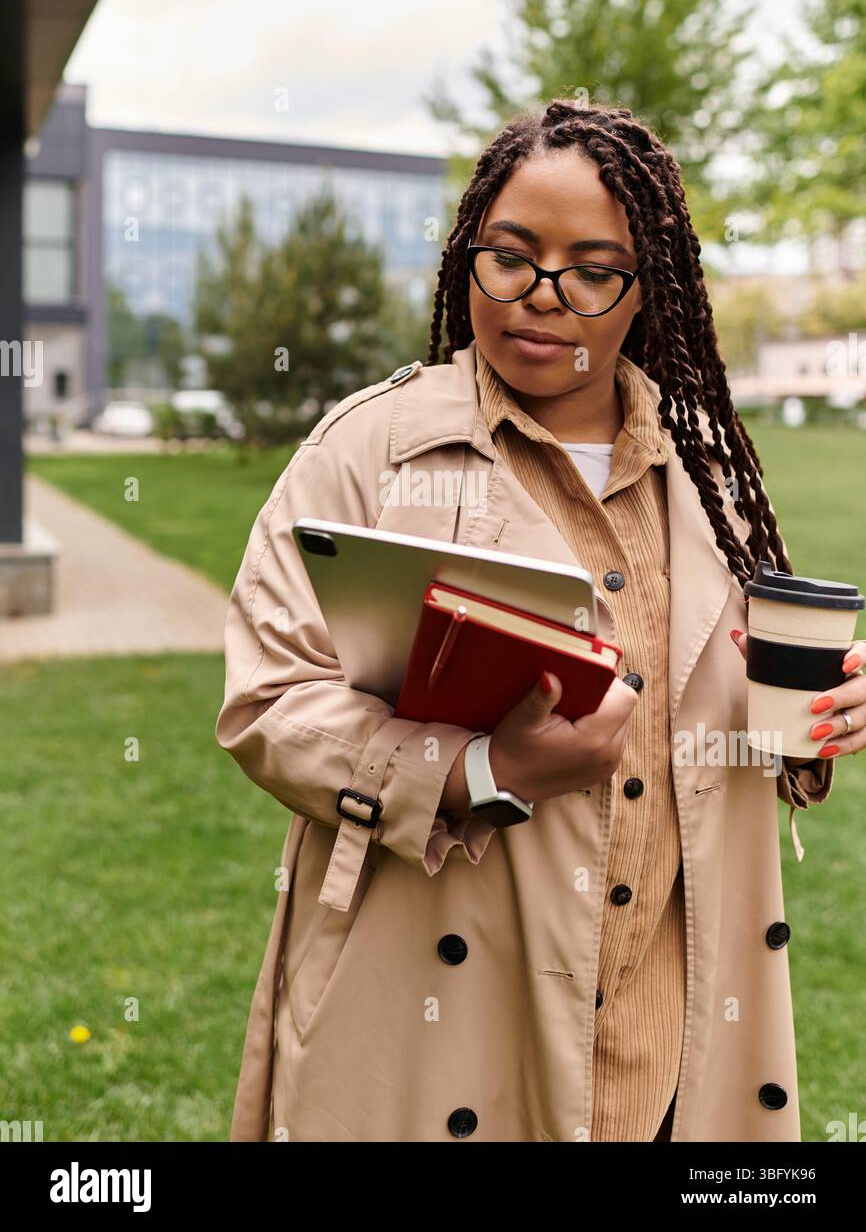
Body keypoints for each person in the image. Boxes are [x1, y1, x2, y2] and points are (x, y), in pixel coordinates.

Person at [216, 100, 866, 1143]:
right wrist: (483, 774)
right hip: (442, 1035)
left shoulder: (707, 479)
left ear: (647, 288)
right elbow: (265, 700)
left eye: (592, 270)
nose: (539, 298)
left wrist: (821, 709)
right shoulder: (366, 452)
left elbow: (716, 713)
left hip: (670, 1050)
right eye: (508, 257)